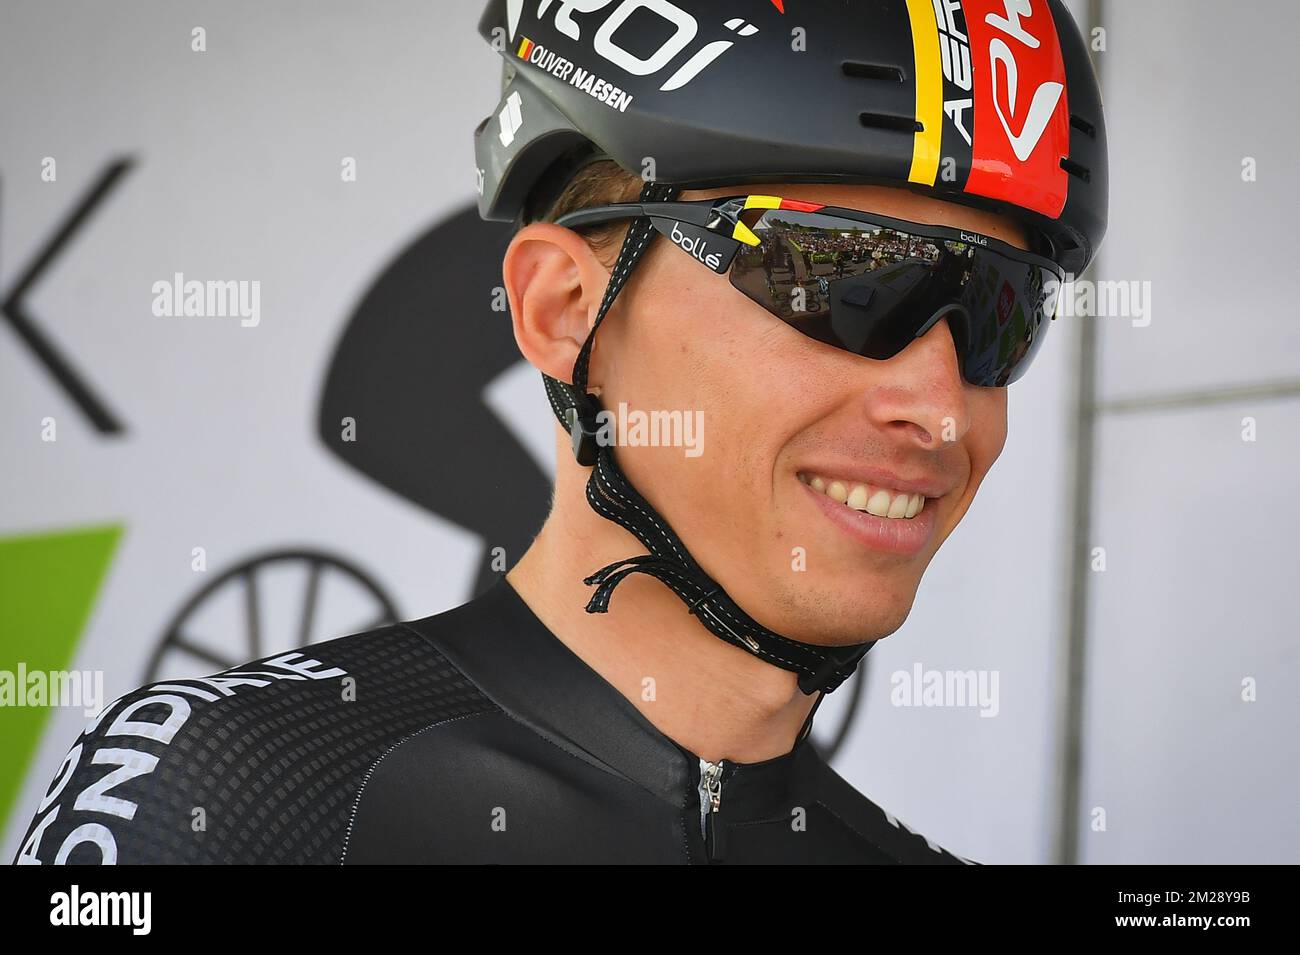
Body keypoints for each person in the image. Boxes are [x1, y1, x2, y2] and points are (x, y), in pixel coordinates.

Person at [13, 0, 1106, 865]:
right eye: (843, 279)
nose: (938, 402)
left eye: (1002, 313)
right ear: (560, 311)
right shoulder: (235, 795)